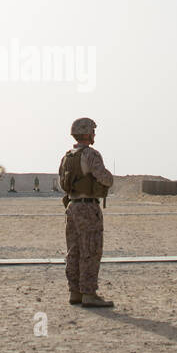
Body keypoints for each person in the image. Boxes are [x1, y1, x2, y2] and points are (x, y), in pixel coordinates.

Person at [58, 117, 115, 308]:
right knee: (90, 249)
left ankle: (75, 292)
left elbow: (61, 183)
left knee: (73, 250)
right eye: (92, 131)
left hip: (72, 206)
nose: (94, 134)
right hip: (88, 207)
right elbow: (105, 178)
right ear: (87, 133)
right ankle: (88, 293)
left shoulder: (67, 157)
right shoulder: (91, 155)